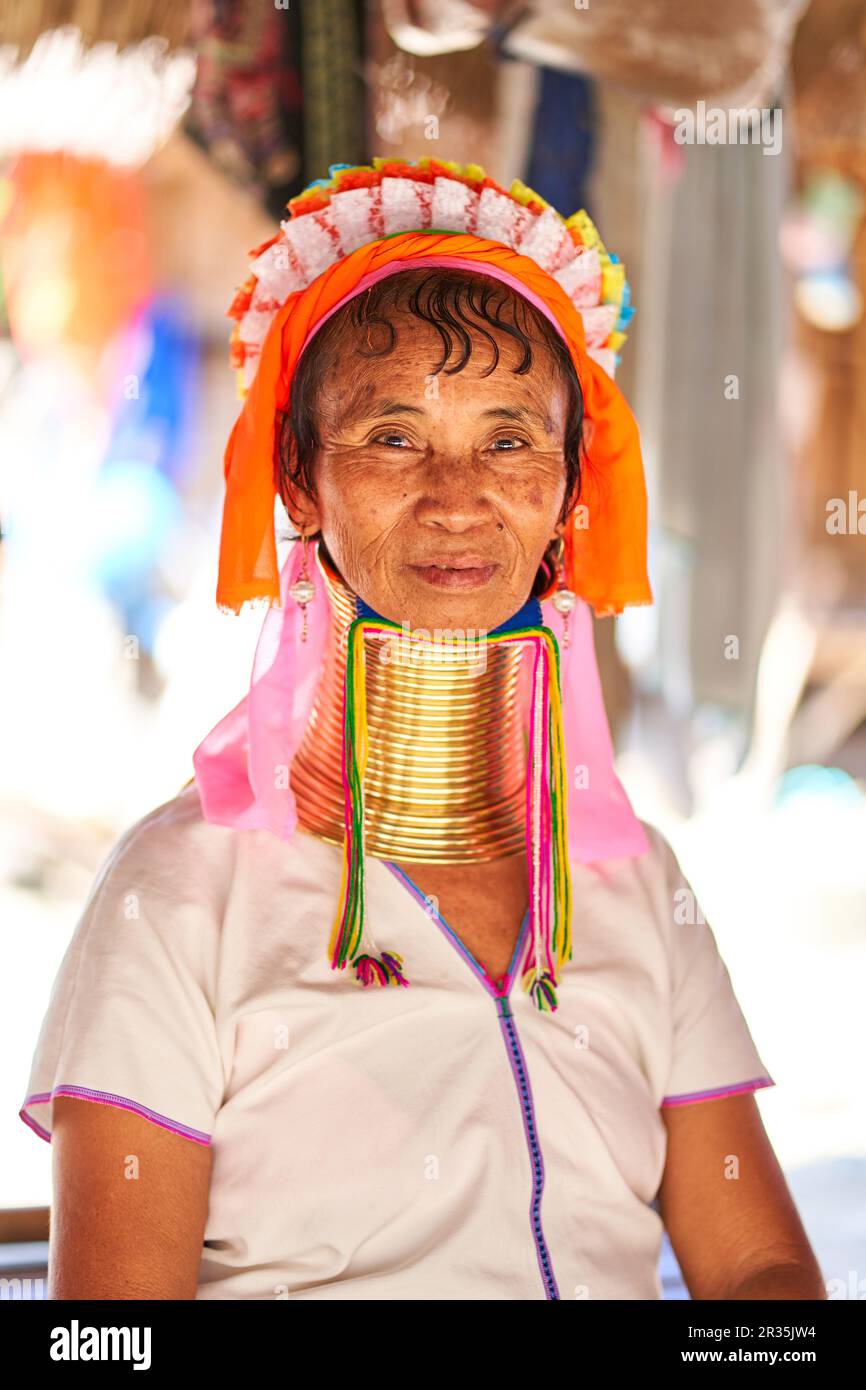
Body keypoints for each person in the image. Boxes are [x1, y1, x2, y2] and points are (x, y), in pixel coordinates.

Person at [19, 158, 824, 1301]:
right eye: (393, 438)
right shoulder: (179, 890)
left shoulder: (636, 880)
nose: (458, 497)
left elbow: (757, 1270)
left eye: (507, 440)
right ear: (298, 480)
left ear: (563, 485)